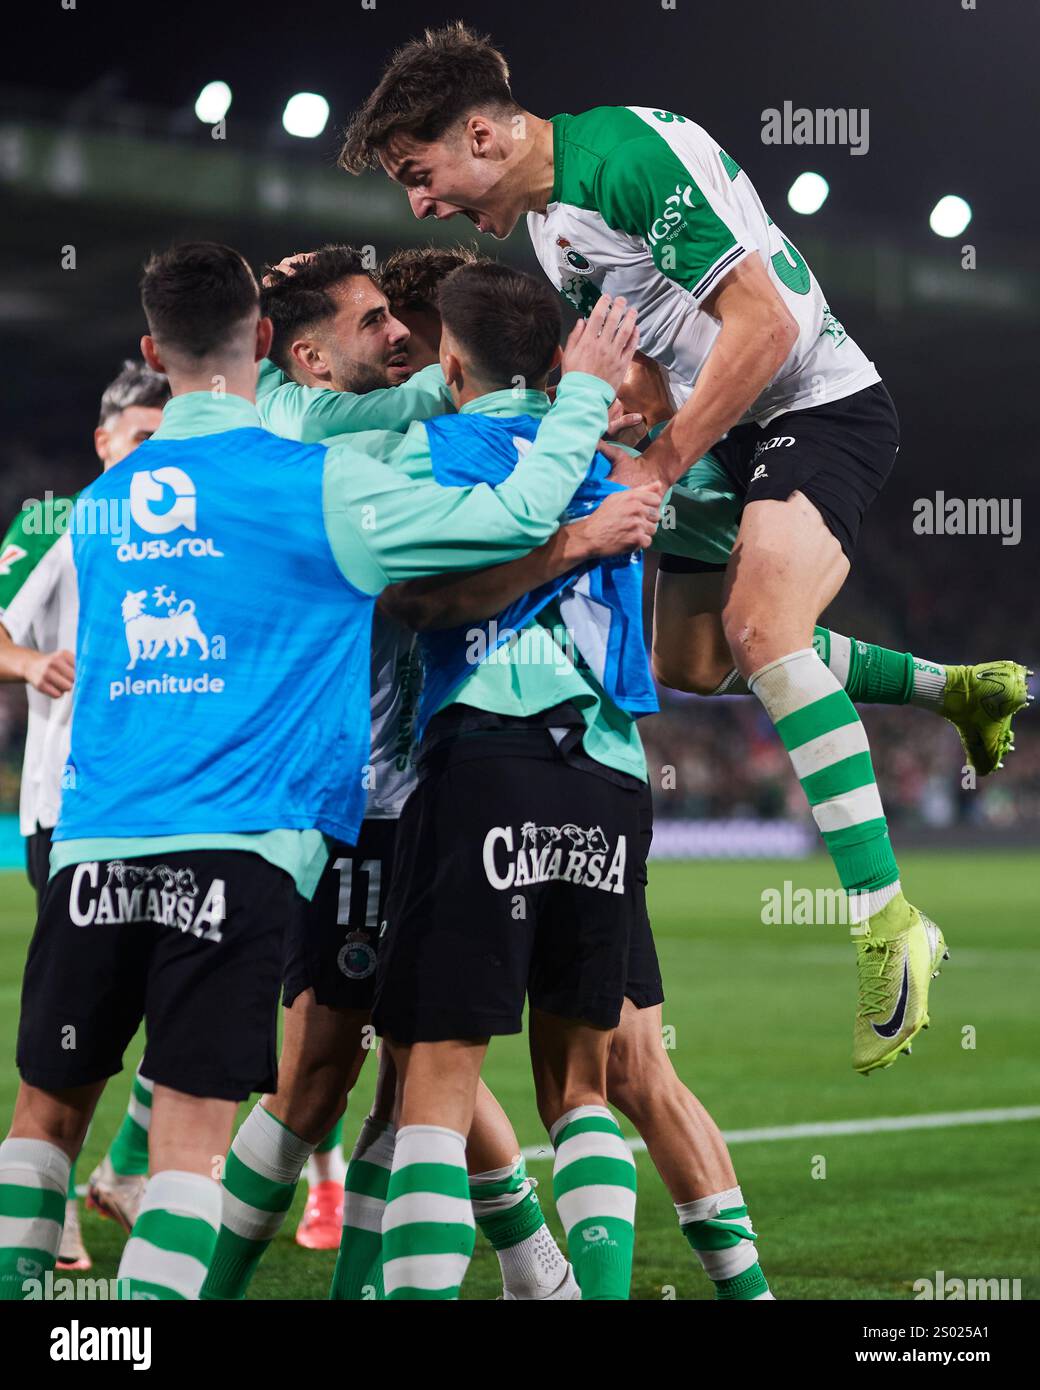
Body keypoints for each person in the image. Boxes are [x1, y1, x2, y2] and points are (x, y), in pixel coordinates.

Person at [339, 21, 1029, 1074]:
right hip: (730, 423)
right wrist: (628, 425)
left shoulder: (625, 158)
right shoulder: (549, 230)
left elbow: (764, 330)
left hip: (815, 403)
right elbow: (655, 370)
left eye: (418, 174)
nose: (421, 204)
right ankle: (956, 691)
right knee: (693, 661)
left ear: (480, 134)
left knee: (762, 625)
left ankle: (889, 921)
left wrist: (659, 464)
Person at [0, 240, 641, 1301]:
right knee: (202, 1137)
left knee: (45, 1114)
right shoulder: (321, 487)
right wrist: (575, 397)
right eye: (370, 322)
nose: (399, 342)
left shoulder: (102, 507)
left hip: (96, 841)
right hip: (249, 842)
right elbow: (522, 513)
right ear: (269, 343)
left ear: (157, 351)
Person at [0, 360, 170, 1272]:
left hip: (177, 800)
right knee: (81, 1015)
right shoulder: (60, 519)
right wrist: (29, 666)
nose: (150, 457)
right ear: (102, 443)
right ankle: (57, 1195)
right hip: (70, 805)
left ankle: (129, 1166)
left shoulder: (192, 521)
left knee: (183, 994)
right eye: (137, 439)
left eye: (164, 438)